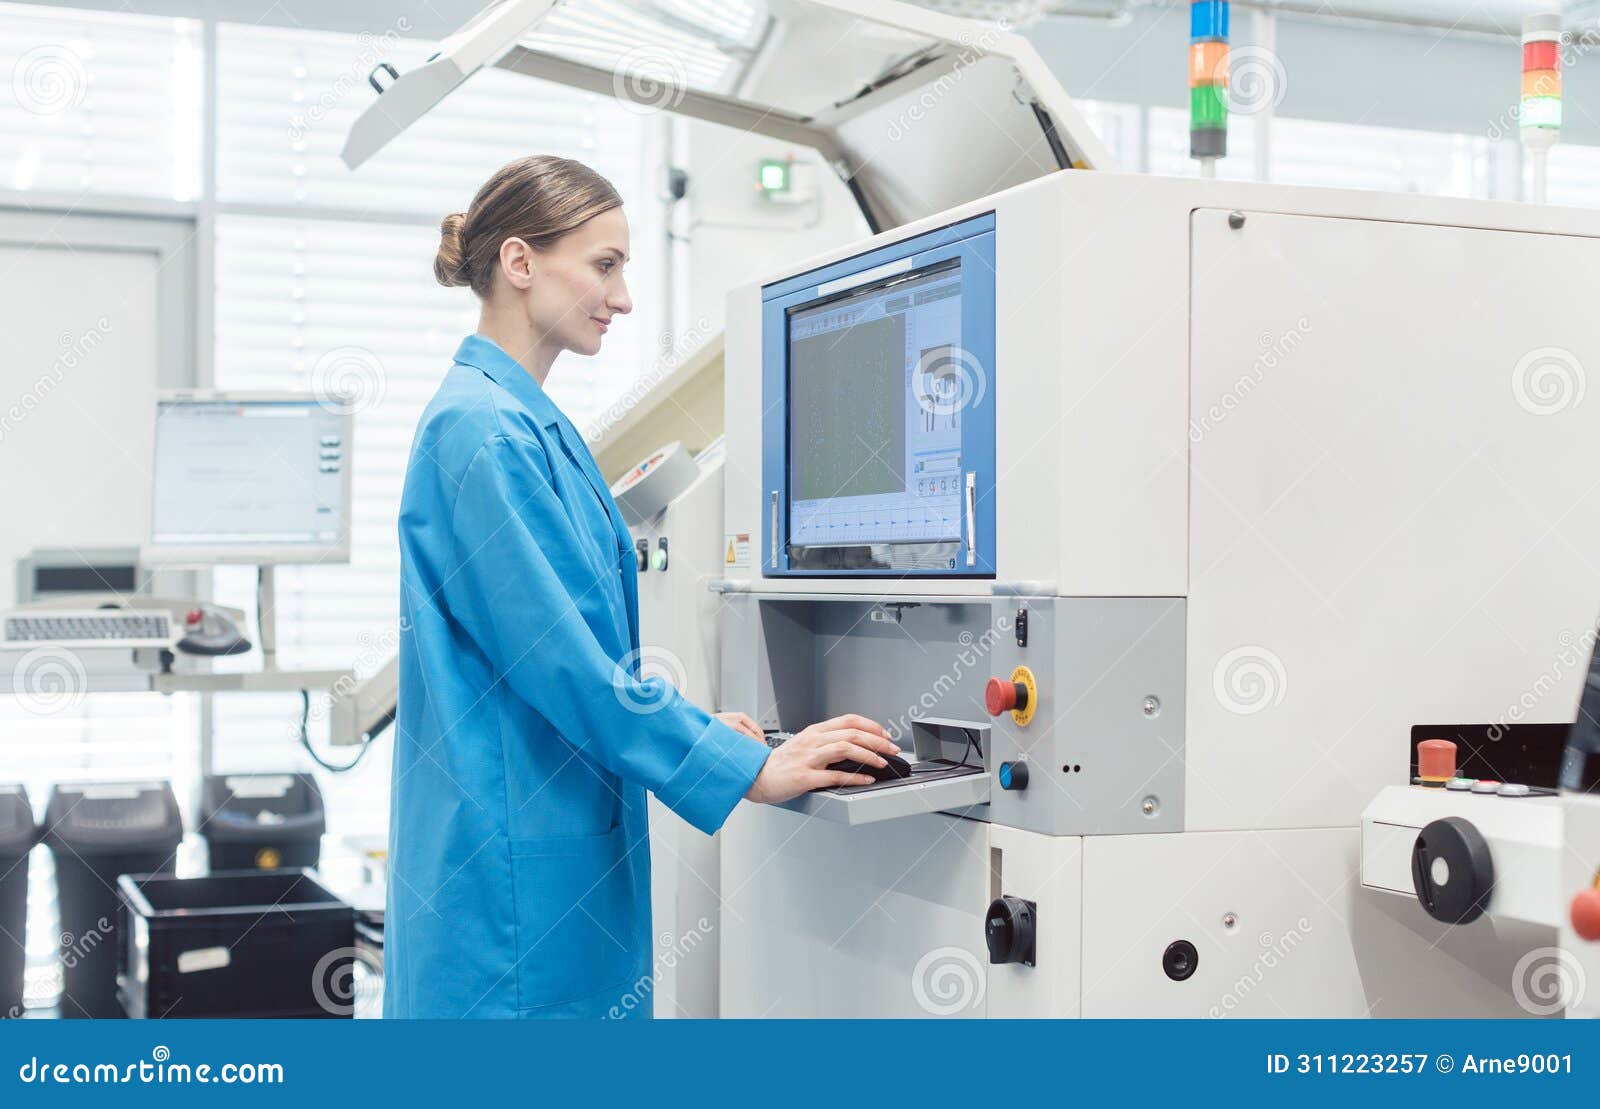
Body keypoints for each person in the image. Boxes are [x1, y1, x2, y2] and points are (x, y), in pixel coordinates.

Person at [385, 155, 900, 1018]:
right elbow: (569, 672)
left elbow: (578, 652)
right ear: (519, 262)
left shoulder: (525, 424)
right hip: (510, 899)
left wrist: (705, 731)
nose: (621, 298)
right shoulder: (484, 433)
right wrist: (746, 768)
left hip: (549, 850)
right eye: (604, 265)